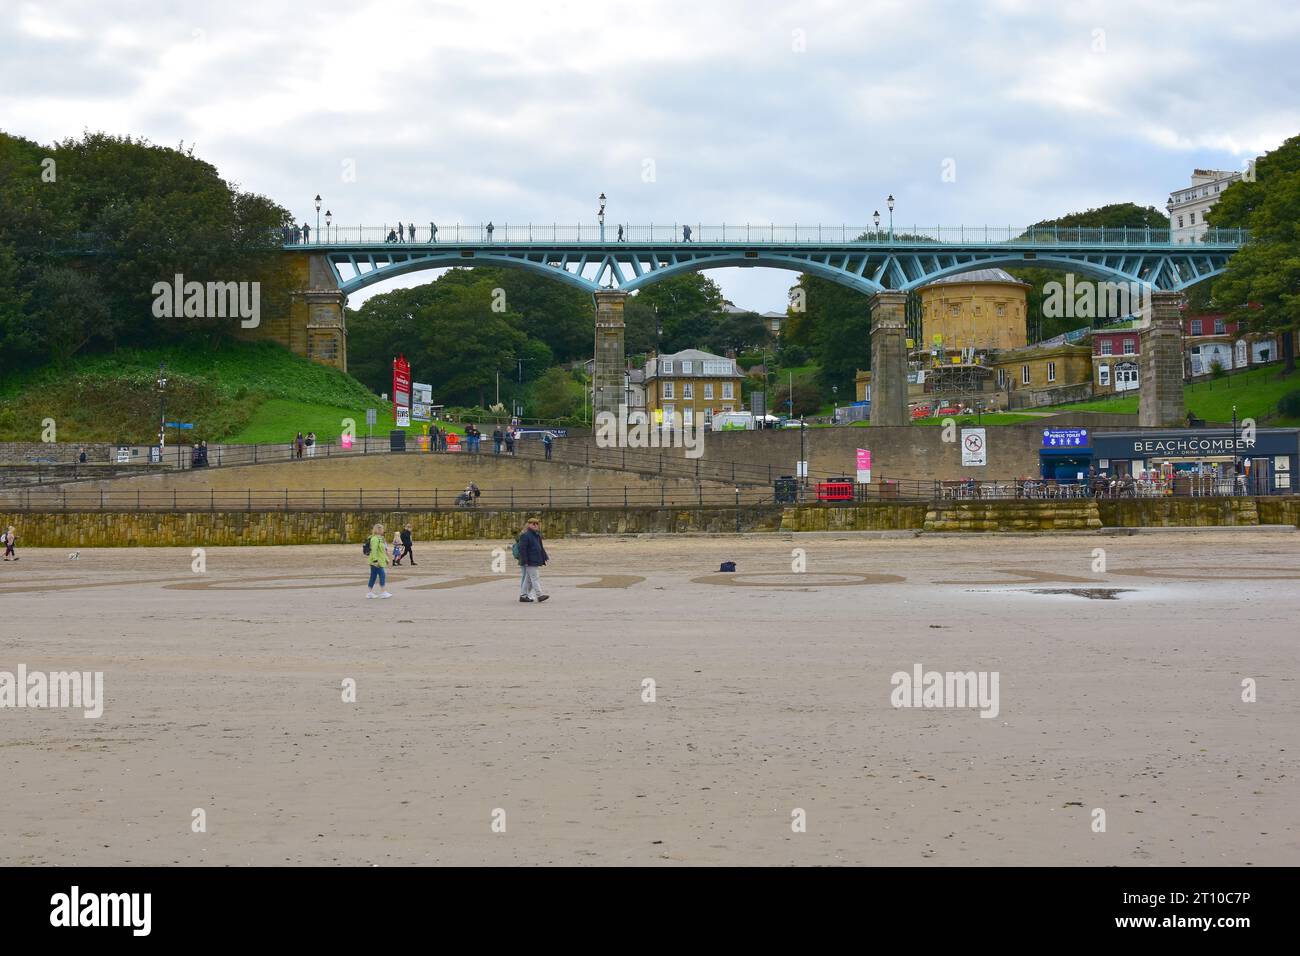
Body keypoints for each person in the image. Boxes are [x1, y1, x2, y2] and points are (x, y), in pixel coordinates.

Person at [517, 516, 549, 603]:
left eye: (537, 524)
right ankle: (539, 595)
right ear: (529, 524)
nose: (535, 525)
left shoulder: (537, 535)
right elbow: (522, 549)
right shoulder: (525, 535)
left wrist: (545, 557)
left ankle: (523, 596)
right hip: (530, 561)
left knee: (528, 579)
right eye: (533, 523)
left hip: (535, 560)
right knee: (535, 578)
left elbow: (540, 548)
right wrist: (525, 561)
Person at [366, 523, 392, 598]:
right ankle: (383, 592)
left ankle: (370, 593)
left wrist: (386, 559)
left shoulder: (380, 539)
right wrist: (375, 561)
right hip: (376, 562)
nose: (383, 530)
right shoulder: (374, 539)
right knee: (382, 575)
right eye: (382, 529)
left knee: (373, 576)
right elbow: (373, 550)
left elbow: (382, 551)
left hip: (379, 561)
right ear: (378, 530)